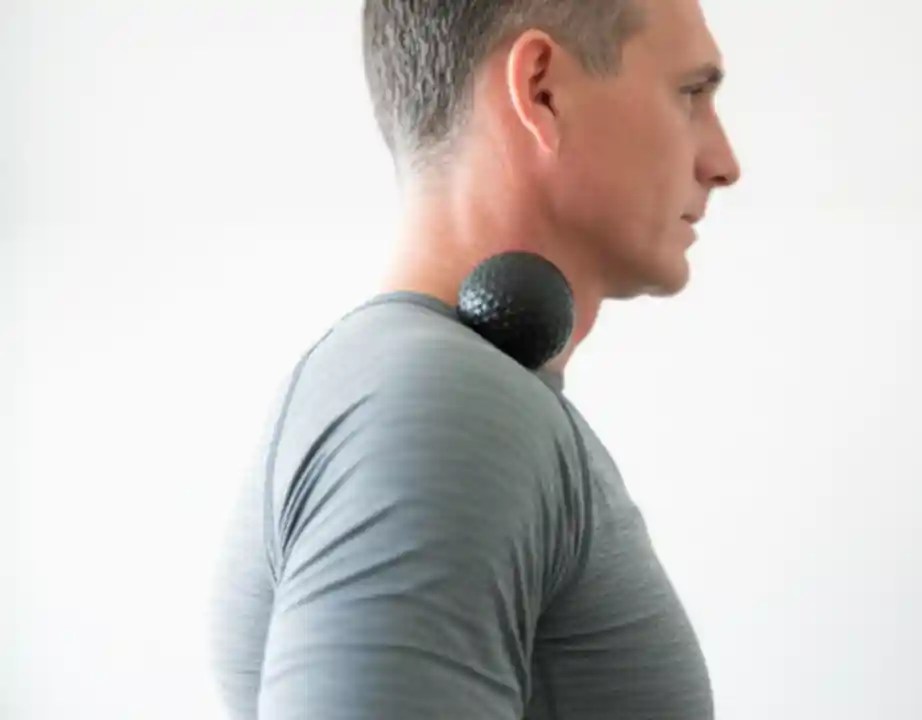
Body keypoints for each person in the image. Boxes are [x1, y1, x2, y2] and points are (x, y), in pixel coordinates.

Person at [209, 0, 740, 717]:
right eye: (690, 93)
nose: (723, 163)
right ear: (542, 91)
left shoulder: (442, 389)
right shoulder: (444, 404)